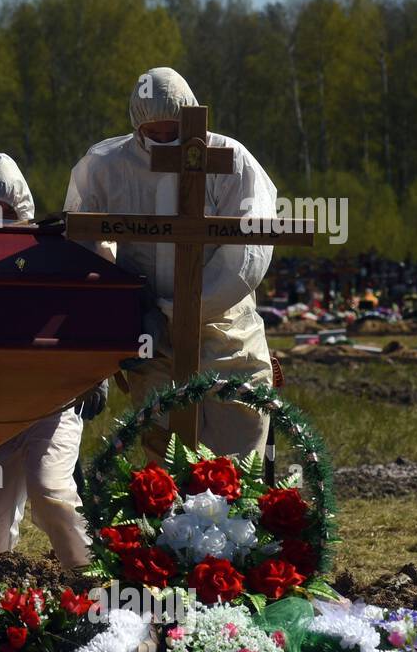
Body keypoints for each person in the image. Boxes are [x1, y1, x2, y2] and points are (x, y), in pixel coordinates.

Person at [64, 66, 277, 460]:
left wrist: (183, 308)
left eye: (173, 131)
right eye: (154, 134)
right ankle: (173, 522)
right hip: (149, 328)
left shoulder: (232, 162)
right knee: (165, 446)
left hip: (226, 327)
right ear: (136, 125)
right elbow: (83, 241)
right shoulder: (106, 165)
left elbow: (250, 250)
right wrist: (120, 310)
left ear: (191, 116)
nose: (164, 142)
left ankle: (237, 522)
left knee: (240, 444)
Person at [0, 153, 103, 570]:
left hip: (51, 406)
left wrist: (98, 372)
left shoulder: (56, 257)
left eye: (8, 211)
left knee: (51, 490)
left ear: (24, 209)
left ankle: (88, 578)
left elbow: (96, 311)